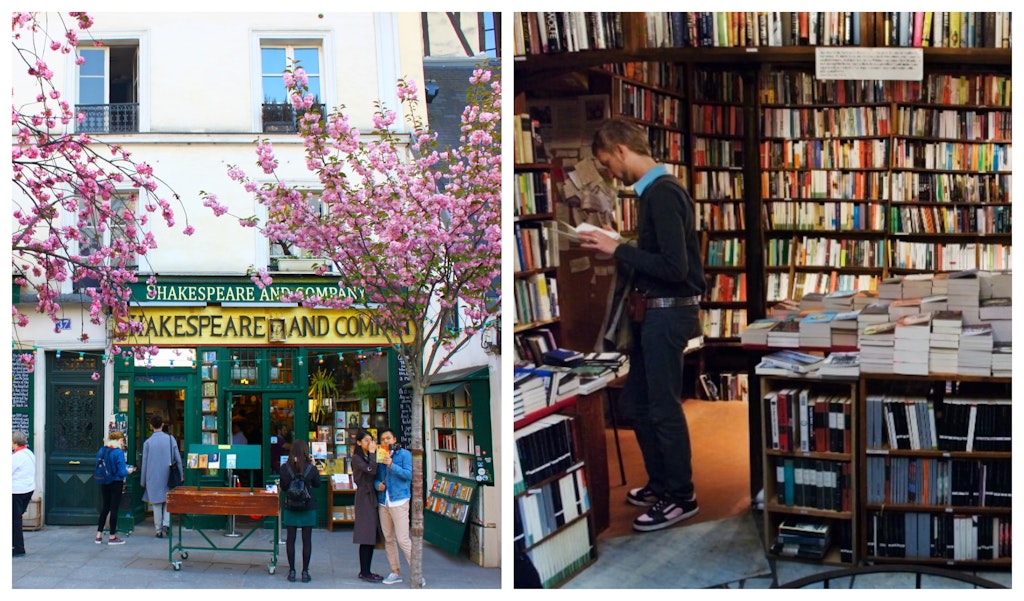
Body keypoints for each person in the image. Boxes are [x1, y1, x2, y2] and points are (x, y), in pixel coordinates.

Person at [579, 118, 706, 532]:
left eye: (606, 163)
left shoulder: (663, 194)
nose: (610, 173)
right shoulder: (654, 194)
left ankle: (680, 495)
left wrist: (619, 249)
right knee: (635, 402)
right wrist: (623, 246)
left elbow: (674, 266)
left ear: (619, 149)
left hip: (668, 311)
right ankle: (662, 483)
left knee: (662, 405)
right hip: (655, 311)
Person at [373, 429, 415, 585]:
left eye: (388, 438)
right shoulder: (380, 455)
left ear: (394, 438)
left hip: (399, 500)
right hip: (384, 501)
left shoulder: (404, 455)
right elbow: (376, 478)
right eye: (383, 439)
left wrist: (392, 465)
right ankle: (395, 571)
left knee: (403, 539)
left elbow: (409, 475)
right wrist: (378, 485)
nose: (386, 441)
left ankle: (416, 572)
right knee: (389, 539)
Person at [280, 438, 320, 583]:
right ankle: (305, 572)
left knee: (290, 539)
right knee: (306, 539)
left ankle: (292, 571)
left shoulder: (285, 468)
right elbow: (317, 484)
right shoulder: (310, 468)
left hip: (291, 506)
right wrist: (313, 467)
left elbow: (284, 487)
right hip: (307, 506)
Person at [140, 414, 183, 538]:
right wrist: (181, 474)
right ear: (163, 425)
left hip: (152, 476)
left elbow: (145, 463)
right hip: (168, 475)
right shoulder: (170, 439)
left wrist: (143, 480)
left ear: (151, 426)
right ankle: (166, 523)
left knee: (156, 504)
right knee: (168, 501)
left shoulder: (147, 443)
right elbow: (177, 459)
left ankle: (158, 530)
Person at [351, 429, 383, 583]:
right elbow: (371, 470)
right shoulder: (357, 458)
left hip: (371, 496)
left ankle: (366, 570)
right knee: (366, 534)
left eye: (371, 440)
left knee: (370, 535)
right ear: (358, 443)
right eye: (366, 441)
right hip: (364, 497)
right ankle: (364, 571)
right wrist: (372, 453)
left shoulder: (365, 455)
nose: (370, 444)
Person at [95, 431, 134, 545]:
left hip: (104, 481)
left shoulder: (102, 450)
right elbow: (122, 471)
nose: (123, 443)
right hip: (116, 482)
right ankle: (112, 536)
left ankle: (99, 535)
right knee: (114, 509)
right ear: (119, 440)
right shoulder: (118, 452)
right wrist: (129, 471)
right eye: (122, 440)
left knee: (105, 508)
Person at [12, 430, 37, 557]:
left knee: (15, 520)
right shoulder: (29, 453)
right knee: (15, 518)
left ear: (15, 442)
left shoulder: (16, 457)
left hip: (16, 491)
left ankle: (18, 548)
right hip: (28, 489)